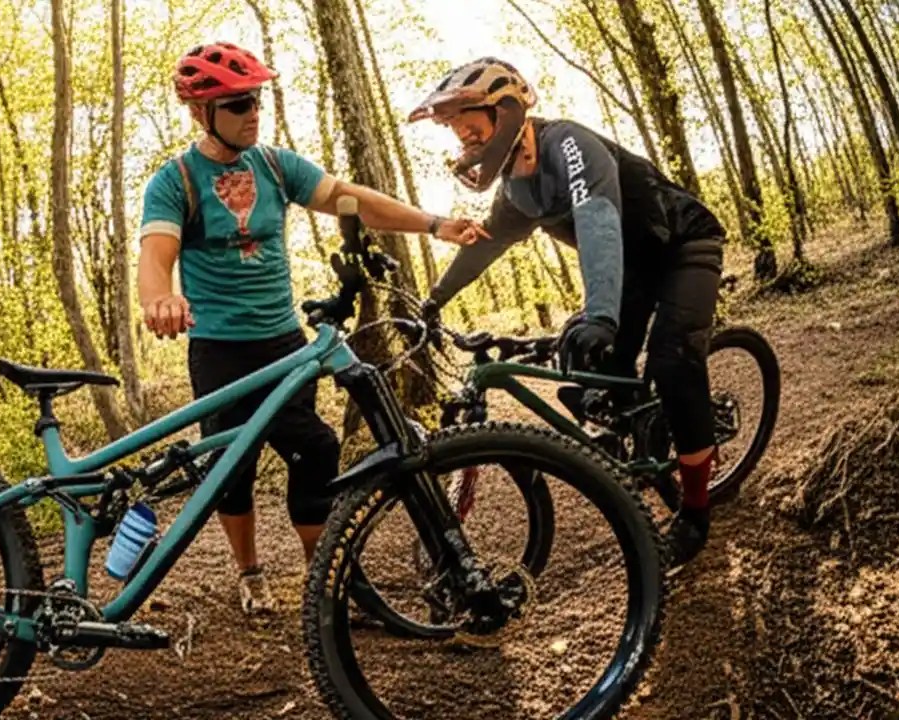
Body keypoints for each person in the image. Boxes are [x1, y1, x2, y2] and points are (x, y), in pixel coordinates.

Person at [137, 42, 484, 614]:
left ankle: (322, 576)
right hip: (219, 350)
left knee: (315, 450)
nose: (255, 113)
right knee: (233, 471)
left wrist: (435, 223)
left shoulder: (275, 165)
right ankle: (248, 573)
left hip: (283, 344)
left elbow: (353, 199)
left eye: (258, 101)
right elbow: (156, 255)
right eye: (240, 103)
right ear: (202, 113)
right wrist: (159, 300)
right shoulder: (175, 181)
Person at [411, 57, 727, 567]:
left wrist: (600, 312)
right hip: (632, 268)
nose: (461, 136)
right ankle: (644, 437)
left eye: (468, 119)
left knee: (672, 364)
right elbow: (484, 248)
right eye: (452, 128)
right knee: (588, 375)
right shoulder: (516, 188)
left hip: (683, 243)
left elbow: (597, 218)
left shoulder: (567, 144)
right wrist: (432, 300)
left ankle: (694, 509)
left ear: (507, 111)